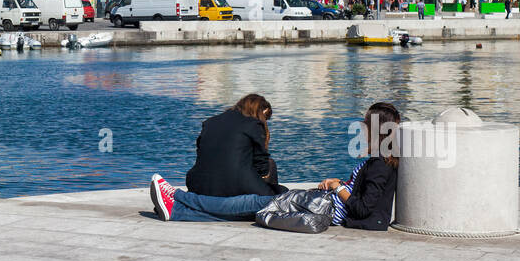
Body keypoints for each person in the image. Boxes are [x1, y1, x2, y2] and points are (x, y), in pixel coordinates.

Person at [150, 102, 402, 229]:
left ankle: (180, 200)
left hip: (325, 210)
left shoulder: (380, 164)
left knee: (251, 203)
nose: (363, 129)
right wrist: (339, 185)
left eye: (366, 125)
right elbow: (362, 196)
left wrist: (338, 187)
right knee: (253, 208)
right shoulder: (380, 159)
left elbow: (362, 208)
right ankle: (177, 211)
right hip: (323, 204)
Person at [184, 94, 285, 197]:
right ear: (262, 111)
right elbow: (261, 164)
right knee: (276, 180)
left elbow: (201, 152)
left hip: (198, 184)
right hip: (235, 187)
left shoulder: (210, 122)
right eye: (266, 118)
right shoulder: (253, 124)